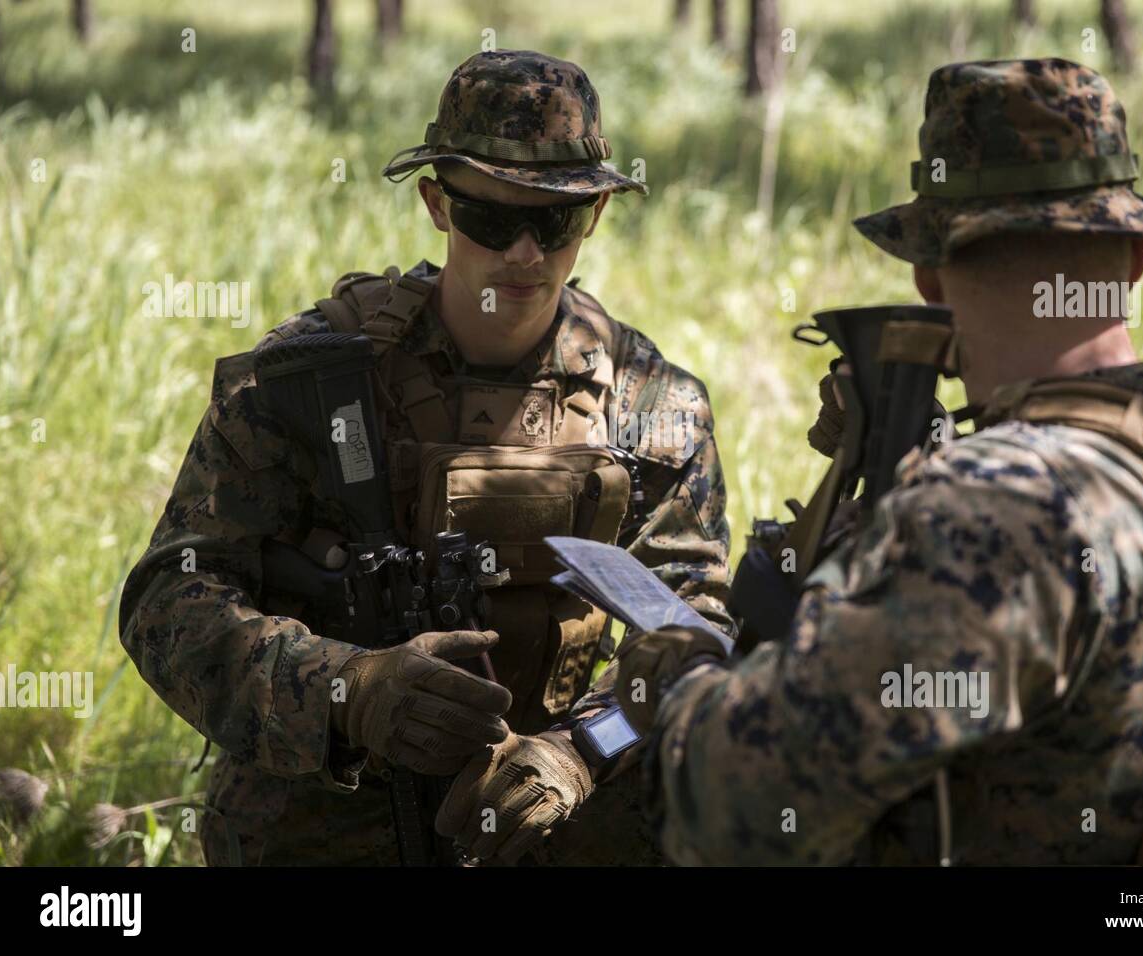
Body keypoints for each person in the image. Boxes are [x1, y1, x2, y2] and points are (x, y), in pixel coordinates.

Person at [618, 58, 1143, 865]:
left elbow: (734, 814)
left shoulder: (994, 512)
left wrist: (683, 678)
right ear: (1138, 255)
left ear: (926, 273)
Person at [117, 49, 732, 866]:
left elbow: (697, 635)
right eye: (489, 218)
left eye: (553, 223)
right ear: (437, 204)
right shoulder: (313, 384)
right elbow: (170, 599)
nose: (523, 254)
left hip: (545, 826)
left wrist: (583, 750)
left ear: (596, 217)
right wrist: (346, 688)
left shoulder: (652, 405)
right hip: (324, 824)